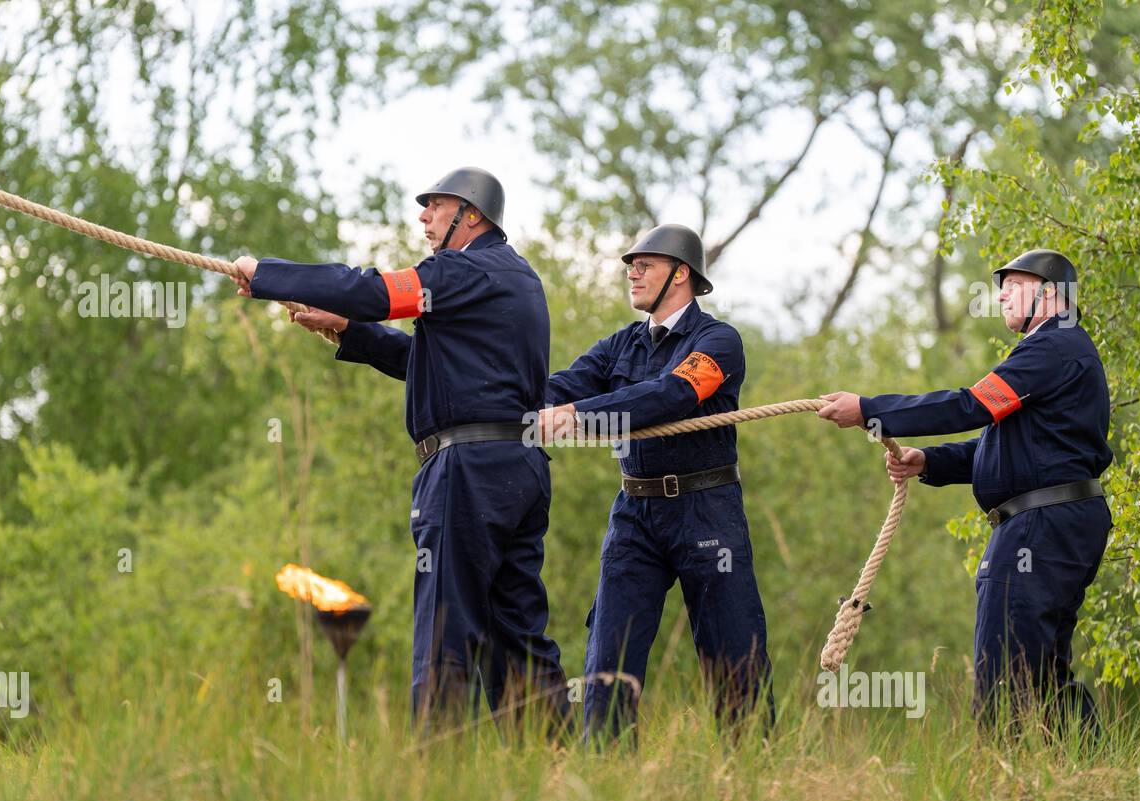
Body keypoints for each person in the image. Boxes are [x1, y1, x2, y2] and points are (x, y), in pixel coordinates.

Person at [232, 167, 571, 735]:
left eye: (434, 206)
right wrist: (348, 329)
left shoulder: (462, 269)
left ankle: (433, 784)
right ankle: (557, 772)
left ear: (472, 214)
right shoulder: (515, 279)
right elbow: (433, 367)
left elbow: (375, 292)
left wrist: (266, 273)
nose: (422, 217)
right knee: (518, 635)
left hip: (466, 473)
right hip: (519, 468)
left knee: (445, 629)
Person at [817, 249, 1111, 740]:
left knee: (1003, 672)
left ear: (1051, 294)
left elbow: (972, 405)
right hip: (1060, 521)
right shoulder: (1058, 352)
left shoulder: (1053, 346)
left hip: (1037, 529)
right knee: (1044, 674)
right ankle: (1093, 775)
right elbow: (1008, 446)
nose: (999, 293)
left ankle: (999, 781)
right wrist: (930, 461)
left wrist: (869, 409)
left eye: (1013, 284)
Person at [537, 224, 773, 742]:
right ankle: (606, 777)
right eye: (630, 263)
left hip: (706, 510)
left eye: (645, 263)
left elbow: (671, 397)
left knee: (734, 657)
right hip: (635, 515)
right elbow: (554, 388)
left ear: (681, 273)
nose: (632, 271)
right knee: (608, 658)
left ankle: (757, 776)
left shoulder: (719, 342)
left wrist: (576, 416)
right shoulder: (619, 345)